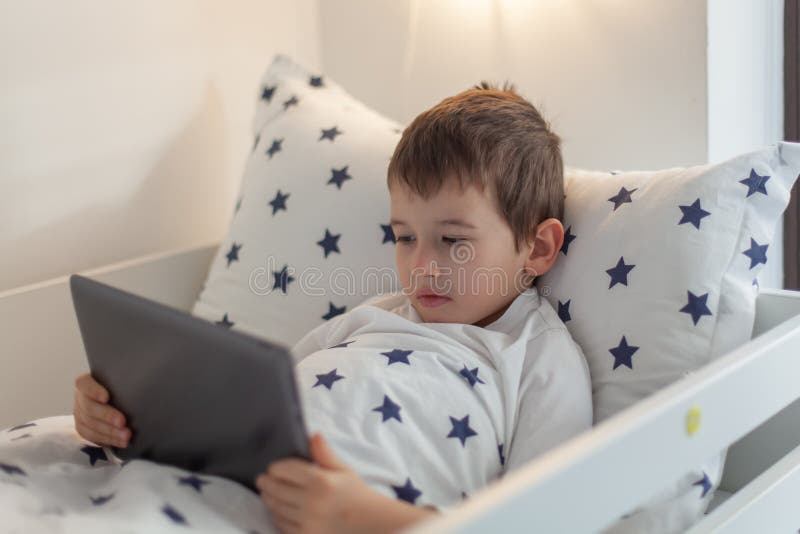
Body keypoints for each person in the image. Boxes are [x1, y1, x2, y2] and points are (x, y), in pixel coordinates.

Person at [73, 82, 593, 534]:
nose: (422, 266)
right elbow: (254, 416)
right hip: (224, 492)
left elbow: (545, 525)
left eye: (453, 241)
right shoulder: (369, 318)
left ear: (538, 247)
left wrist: (371, 520)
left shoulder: (539, 359)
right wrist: (125, 419)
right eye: (405, 237)